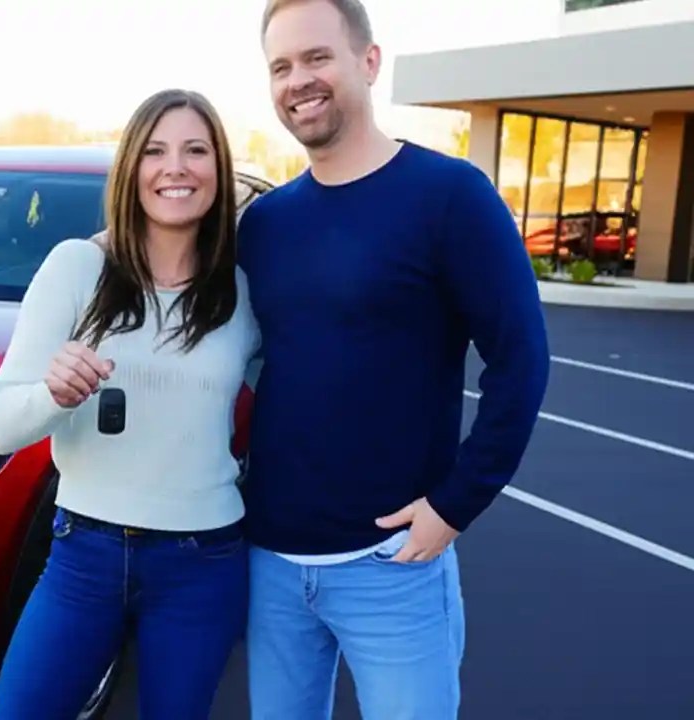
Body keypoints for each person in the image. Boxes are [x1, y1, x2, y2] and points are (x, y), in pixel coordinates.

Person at [237, 1, 551, 718]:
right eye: (281, 66)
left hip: (394, 567)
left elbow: (521, 358)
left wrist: (454, 506)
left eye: (318, 57)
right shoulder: (266, 223)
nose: (298, 81)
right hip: (273, 562)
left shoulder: (449, 196)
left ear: (368, 62)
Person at [0, 88, 261, 720]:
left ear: (219, 167)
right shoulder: (78, 267)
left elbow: (310, 393)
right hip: (86, 556)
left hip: (204, 563)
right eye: (156, 151)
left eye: (196, 150)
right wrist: (52, 394)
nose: (176, 168)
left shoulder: (241, 290)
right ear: (132, 167)